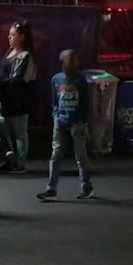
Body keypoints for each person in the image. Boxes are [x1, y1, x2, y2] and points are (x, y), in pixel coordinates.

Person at [37, 49, 94, 201]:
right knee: (55, 154)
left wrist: (82, 120)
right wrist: (56, 115)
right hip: (60, 121)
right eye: (71, 59)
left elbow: (85, 102)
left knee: (80, 155)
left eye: (76, 59)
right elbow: (54, 100)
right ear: (63, 62)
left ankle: (86, 186)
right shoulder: (56, 79)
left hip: (76, 122)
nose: (75, 62)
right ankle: (51, 189)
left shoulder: (81, 81)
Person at [0, 20, 37, 172]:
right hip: (5, 100)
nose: (9, 37)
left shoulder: (26, 56)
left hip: (18, 101)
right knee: (5, 131)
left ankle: (20, 163)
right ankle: (10, 160)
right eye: (9, 34)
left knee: (19, 133)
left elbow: (18, 80)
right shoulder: (9, 52)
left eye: (12, 35)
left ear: (22, 37)